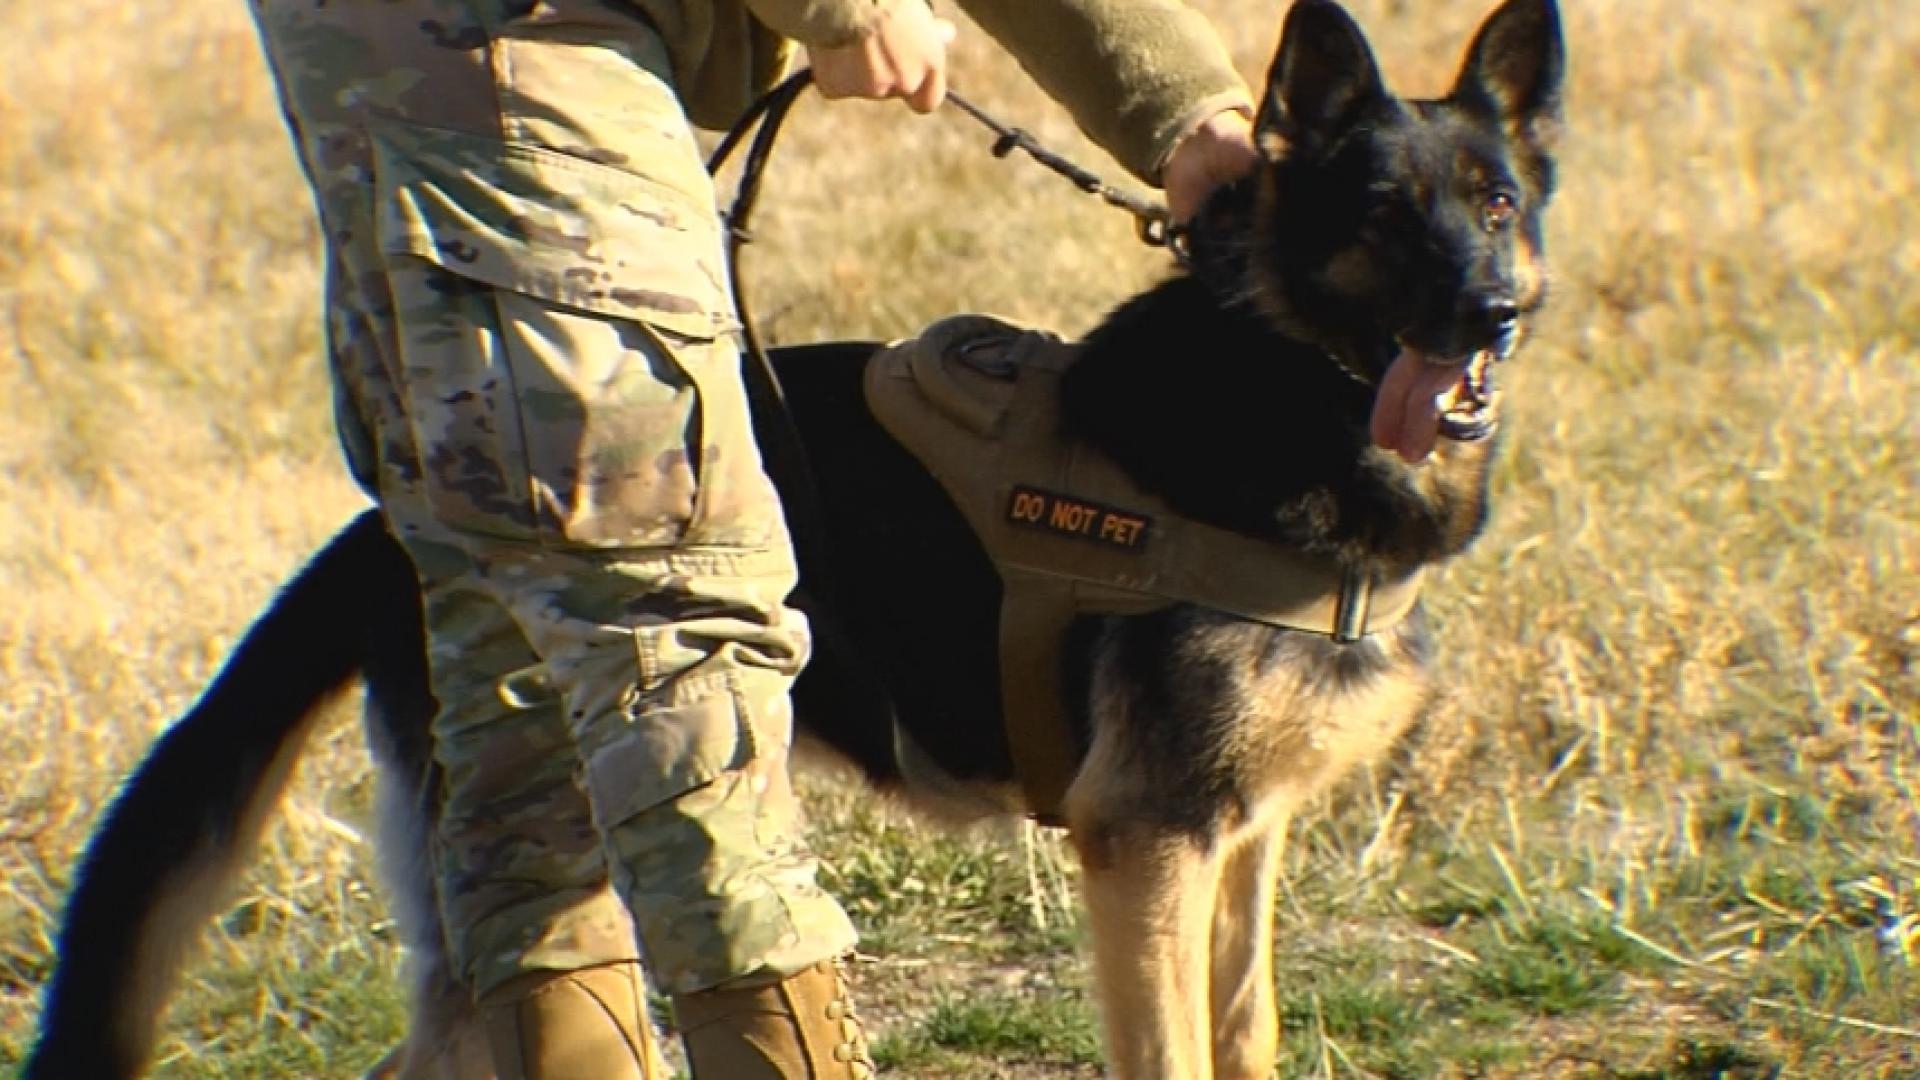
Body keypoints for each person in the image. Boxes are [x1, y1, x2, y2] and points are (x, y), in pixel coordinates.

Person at [245, 0, 1255, 1076]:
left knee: (526, 688)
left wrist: (1181, 107)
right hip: (517, 69)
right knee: (679, 627)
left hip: (415, 88)